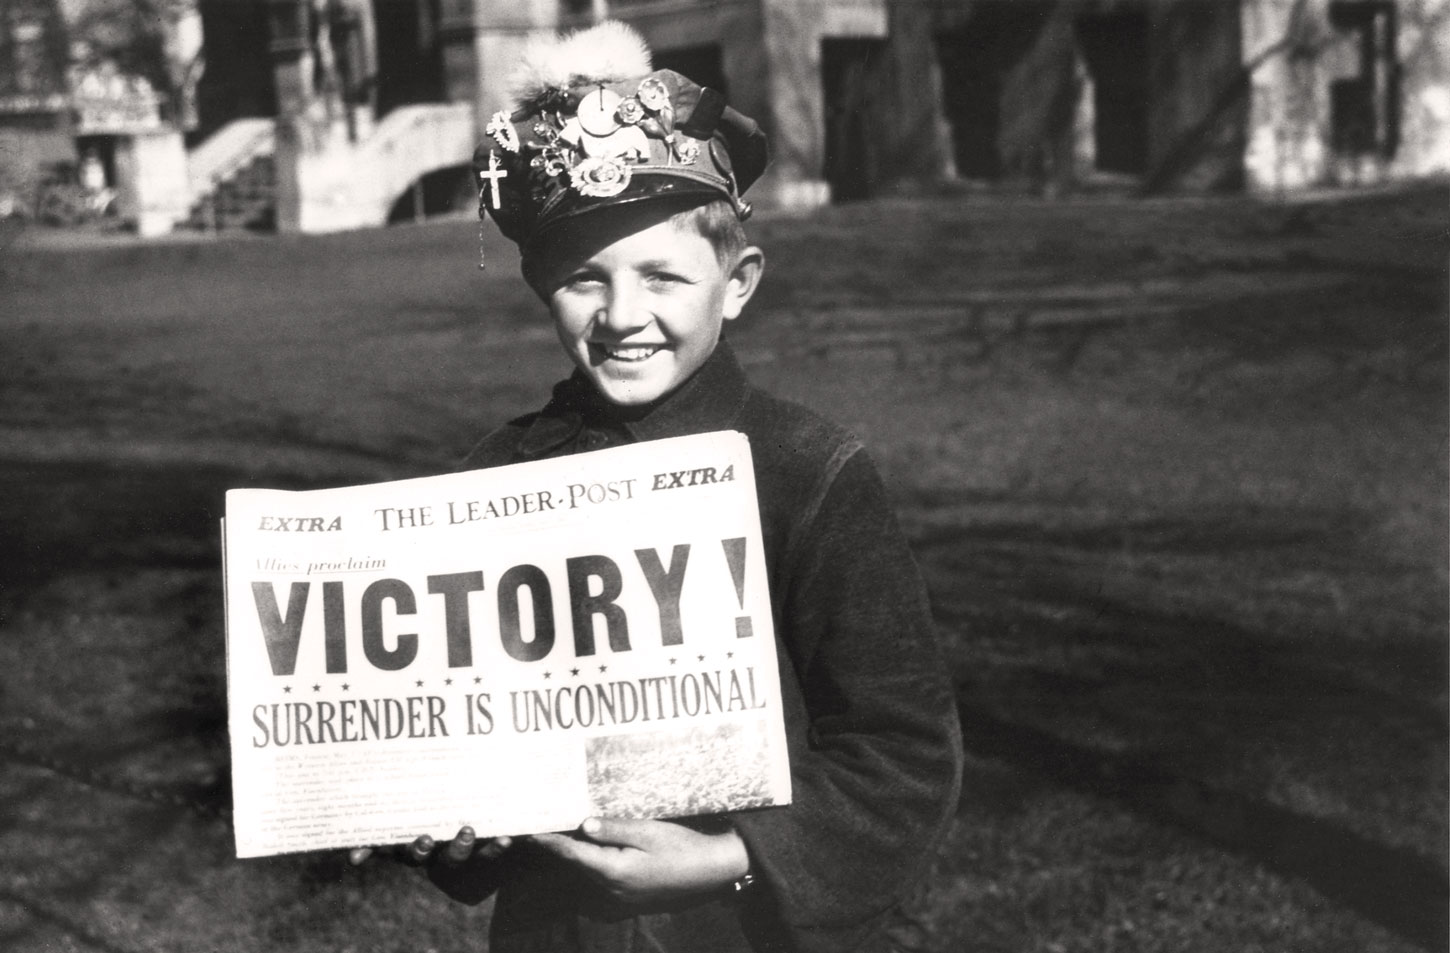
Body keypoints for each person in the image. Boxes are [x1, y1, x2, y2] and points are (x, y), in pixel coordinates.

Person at [352, 21, 963, 952]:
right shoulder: (496, 477)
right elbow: (470, 760)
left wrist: (728, 856)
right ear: (539, 285)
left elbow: (904, 755)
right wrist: (448, 826)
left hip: (749, 930)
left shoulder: (808, 473)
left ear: (738, 281)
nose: (623, 316)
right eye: (584, 280)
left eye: (663, 276)